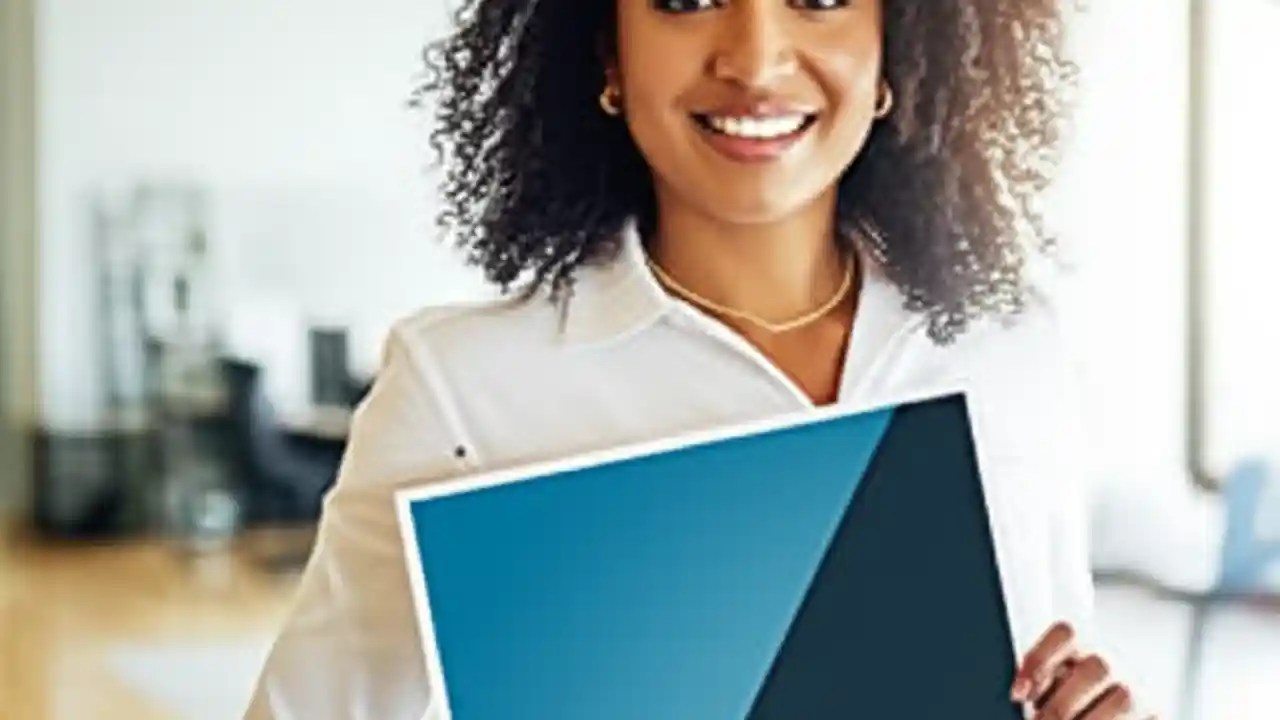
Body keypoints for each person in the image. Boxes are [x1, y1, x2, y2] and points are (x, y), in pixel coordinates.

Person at [247, 0, 1152, 718]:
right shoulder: (461, 389)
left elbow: (1045, 664)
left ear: (895, 46)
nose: (756, 60)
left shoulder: (1008, 349)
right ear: (607, 51)